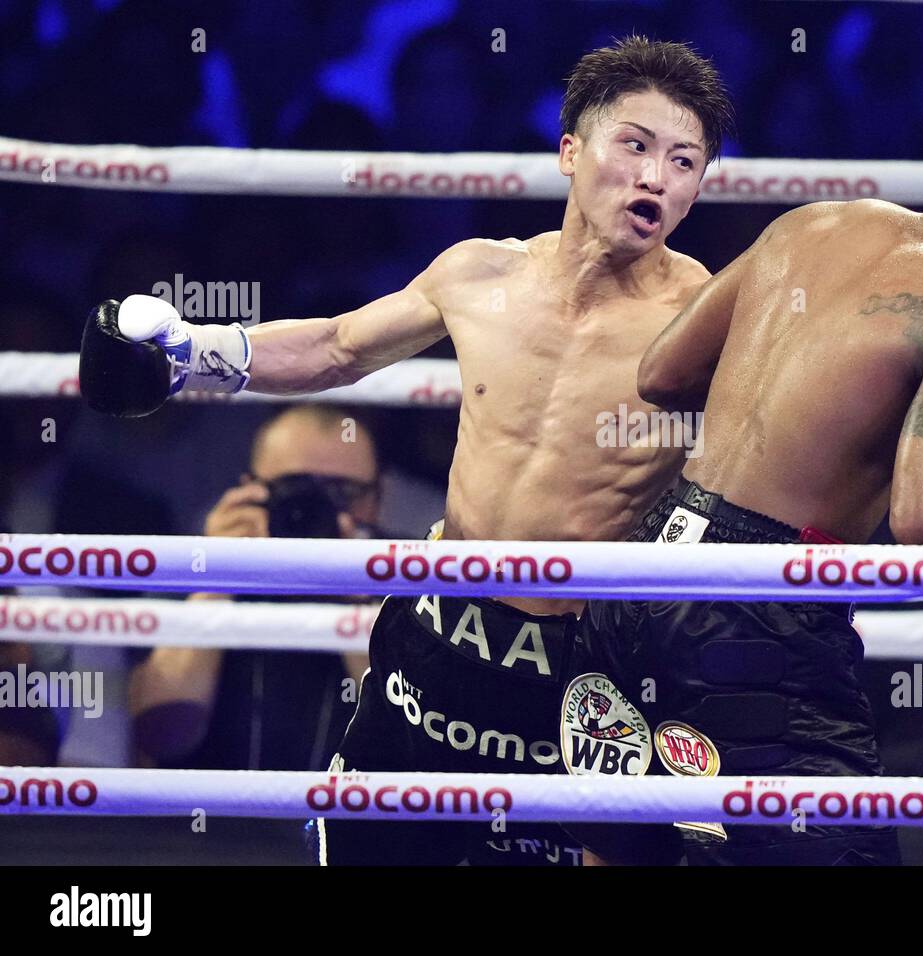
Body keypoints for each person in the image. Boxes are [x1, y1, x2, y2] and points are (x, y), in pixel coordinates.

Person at [79, 36, 733, 866]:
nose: (655, 178)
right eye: (634, 146)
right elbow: (339, 346)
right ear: (571, 150)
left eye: (684, 162)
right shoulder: (479, 274)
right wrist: (192, 352)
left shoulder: (706, 324)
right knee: (369, 850)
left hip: (580, 660)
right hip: (441, 630)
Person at [562, 111, 923, 865]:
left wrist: (823, 432)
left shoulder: (816, 224)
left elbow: (663, 373)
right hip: (756, 619)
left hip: (641, 577)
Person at [128, 404, 378, 773]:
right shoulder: (192, 566)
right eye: (295, 489)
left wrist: (356, 593)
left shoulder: (412, 575)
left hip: (355, 826)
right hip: (210, 823)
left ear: (377, 499)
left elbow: (415, 746)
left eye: (344, 492)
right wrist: (218, 578)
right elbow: (164, 733)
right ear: (250, 490)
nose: (319, 509)